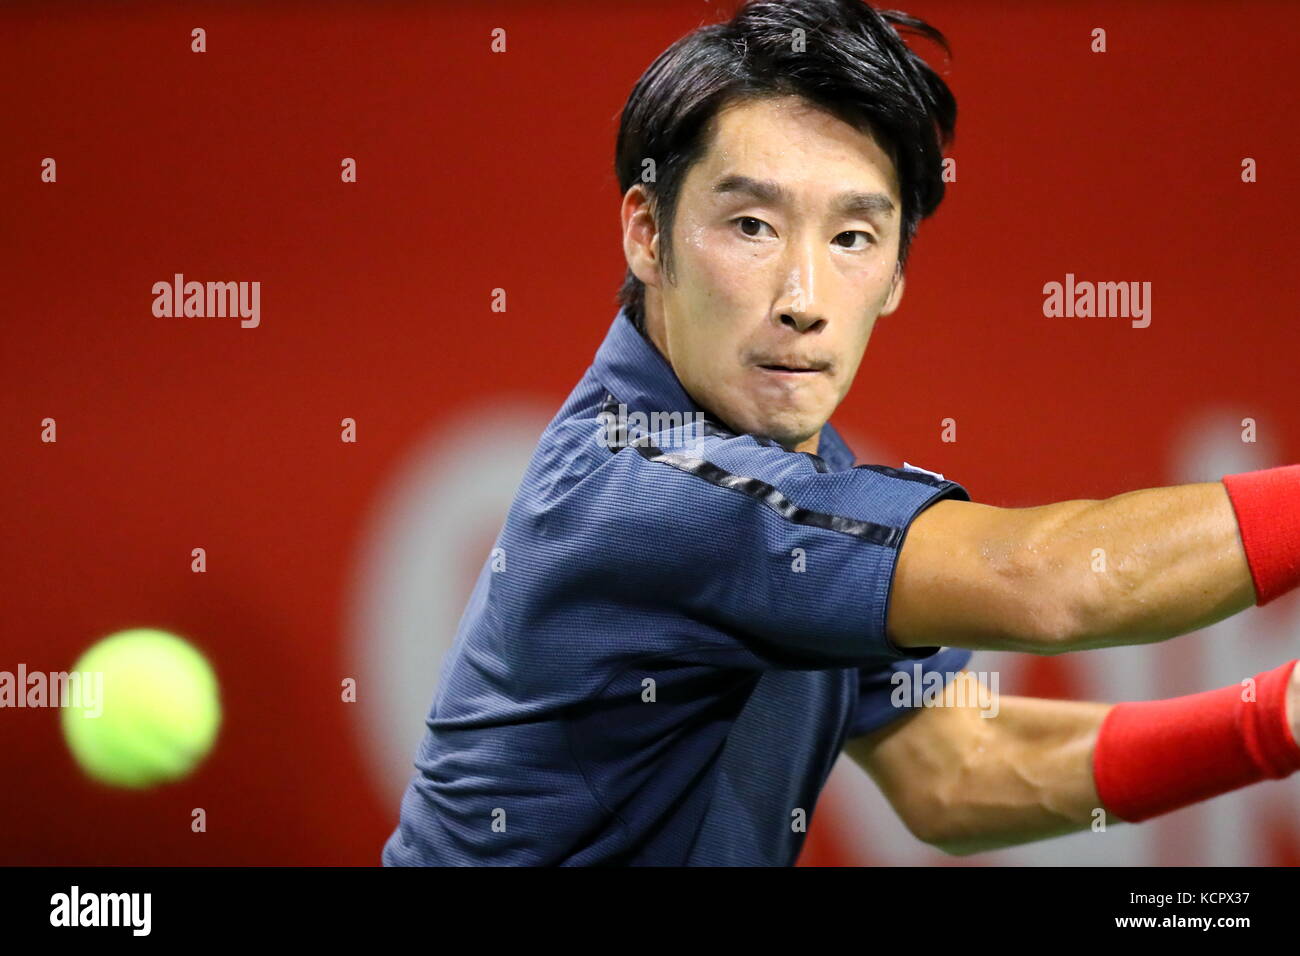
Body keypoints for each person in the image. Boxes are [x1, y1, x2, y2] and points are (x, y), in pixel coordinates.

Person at [383, 0, 1300, 865]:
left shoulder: (795, 475)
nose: (804, 300)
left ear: (897, 274)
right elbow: (1049, 581)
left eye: (853, 237)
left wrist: (1276, 718)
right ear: (646, 234)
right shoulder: (646, 491)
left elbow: (958, 769)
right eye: (751, 225)